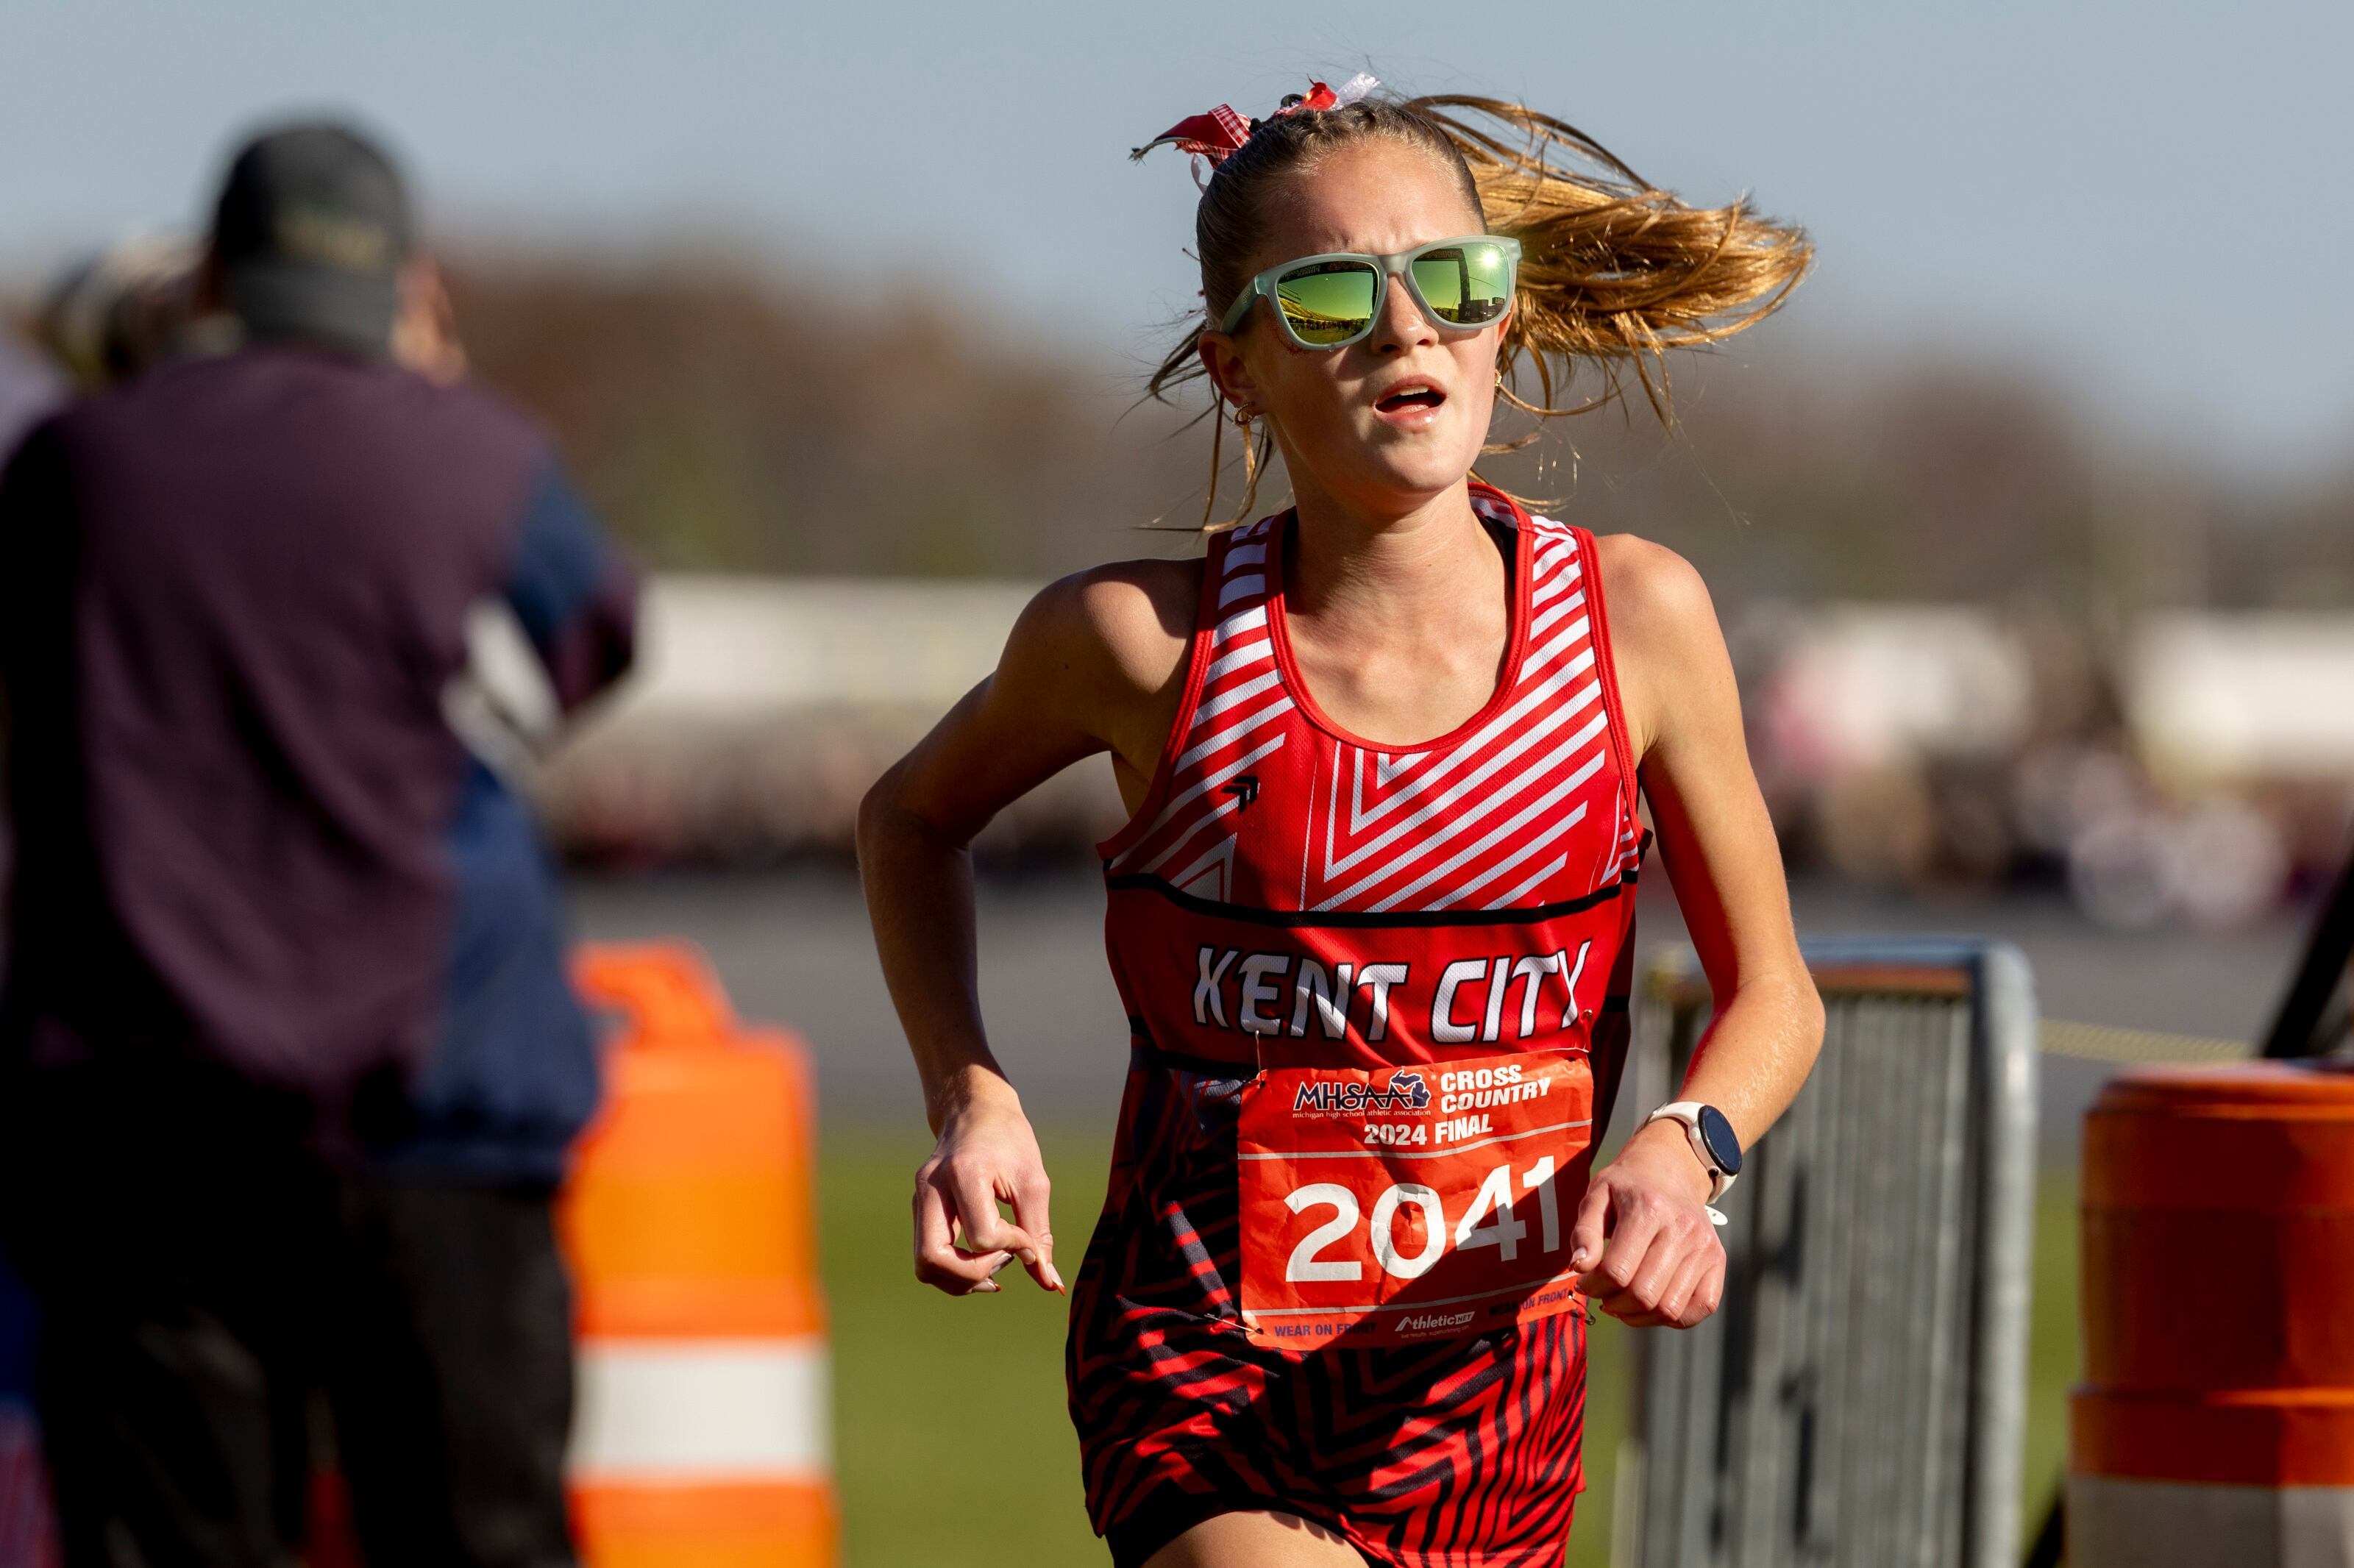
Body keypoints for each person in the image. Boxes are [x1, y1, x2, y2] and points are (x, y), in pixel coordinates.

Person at [858, 80, 1827, 1568]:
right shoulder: (1139, 645)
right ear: (1234, 367)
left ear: (1504, 312)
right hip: (1205, 1384)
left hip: (1496, 1411)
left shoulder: (1637, 619)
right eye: (1326, 299)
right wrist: (967, 1091)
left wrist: (1677, 1155)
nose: (1402, 330)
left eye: (1450, 280)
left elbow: (1775, 995)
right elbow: (910, 819)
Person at [0, 121, 635, 1568]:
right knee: (477, 1532)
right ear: (412, 284)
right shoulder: (478, 458)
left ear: (218, 268)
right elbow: (586, 645)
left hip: (147, 1109)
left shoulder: (78, 463)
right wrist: (430, 388)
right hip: (442, 1106)